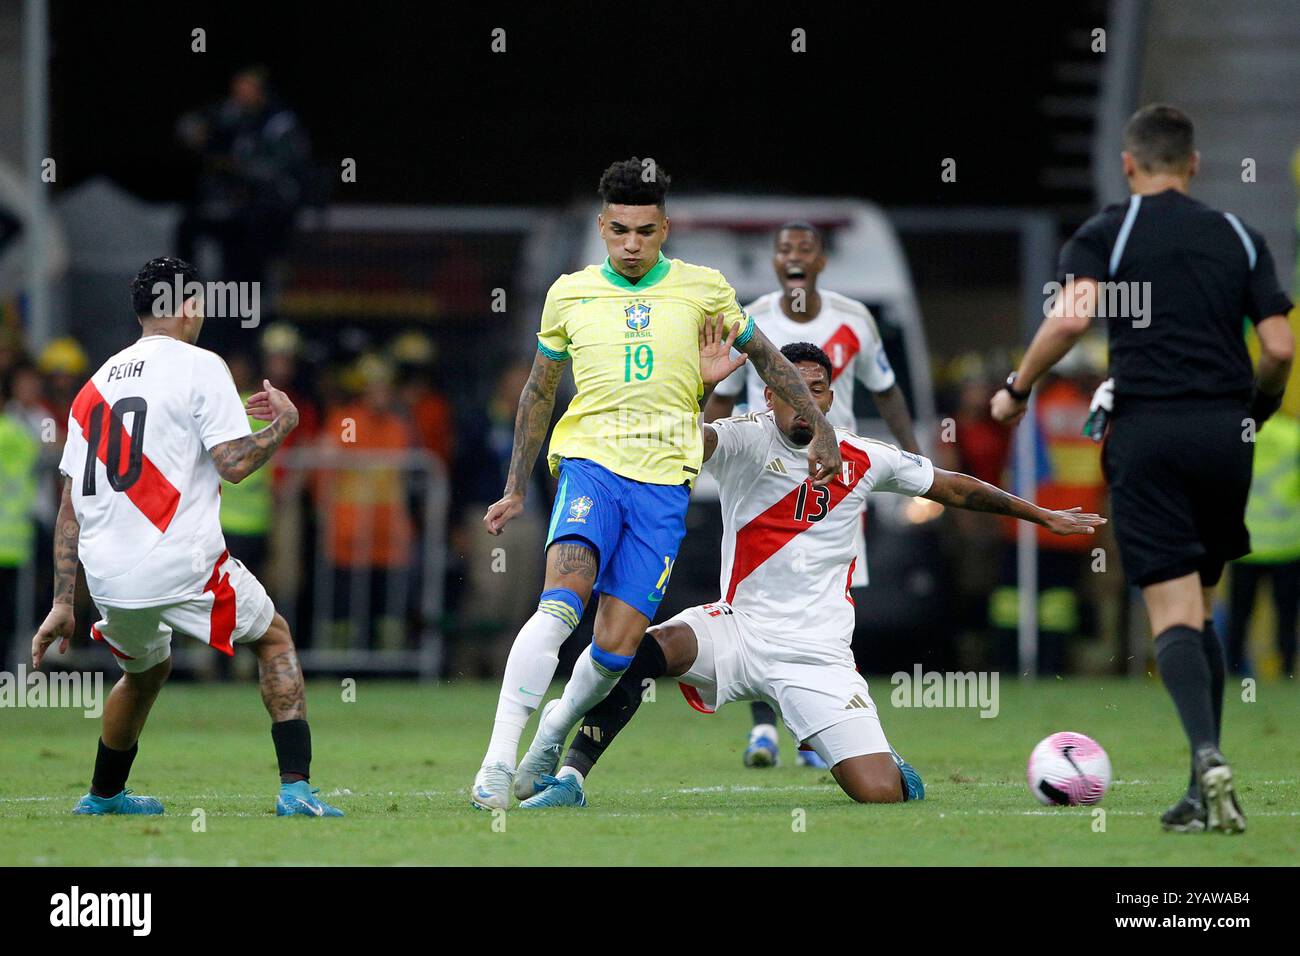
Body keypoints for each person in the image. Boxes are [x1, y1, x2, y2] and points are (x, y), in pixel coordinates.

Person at [518, 337, 1103, 807]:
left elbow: (954, 487)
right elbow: (677, 440)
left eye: (815, 391)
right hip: (738, 629)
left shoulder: (863, 456)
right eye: (788, 391)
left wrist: (1041, 515)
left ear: (827, 397)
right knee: (639, 651)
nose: (802, 402)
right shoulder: (744, 439)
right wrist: (699, 385)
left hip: (817, 656)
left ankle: (889, 765)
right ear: (769, 396)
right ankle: (570, 778)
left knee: (879, 795)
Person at [471, 158, 843, 810]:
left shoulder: (704, 289)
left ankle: (551, 733)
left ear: (663, 228)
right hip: (590, 466)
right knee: (562, 601)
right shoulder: (571, 292)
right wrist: (516, 486)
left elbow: (769, 360)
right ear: (603, 227)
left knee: (615, 649)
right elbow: (538, 389)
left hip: (665, 484)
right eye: (620, 230)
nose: (632, 244)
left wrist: (822, 428)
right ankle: (498, 763)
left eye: (645, 230)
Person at [991, 105, 1295, 833]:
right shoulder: (1236, 235)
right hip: (1228, 434)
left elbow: (1071, 317)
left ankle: (1208, 754)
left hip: (1150, 431)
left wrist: (1018, 387)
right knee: (1201, 604)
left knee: (1171, 609)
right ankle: (1202, 784)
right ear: (1193, 165)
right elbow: (1280, 345)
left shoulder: (1110, 230)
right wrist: (1256, 407)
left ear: (1128, 166)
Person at [30, 257, 342, 818]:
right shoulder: (202, 366)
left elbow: (70, 507)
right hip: (180, 561)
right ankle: (296, 790)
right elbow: (235, 463)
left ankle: (103, 797)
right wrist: (283, 426)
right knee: (274, 636)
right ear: (187, 306)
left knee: (145, 671)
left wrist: (61, 601)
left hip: (107, 578)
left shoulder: (93, 386)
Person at [704, 221, 921, 769]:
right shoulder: (754, 320)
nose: (794, 257)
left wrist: (918, 456)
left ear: (821, 261)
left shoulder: (855, 321)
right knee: (752, 604)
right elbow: (723, 397)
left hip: (835, 482)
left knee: (828, 604)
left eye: (805, 248)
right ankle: (762, 732)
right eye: (783, 249)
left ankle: (815, 730)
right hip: (764, 476)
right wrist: (697, 461)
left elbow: (887, 390)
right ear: (775, 262)